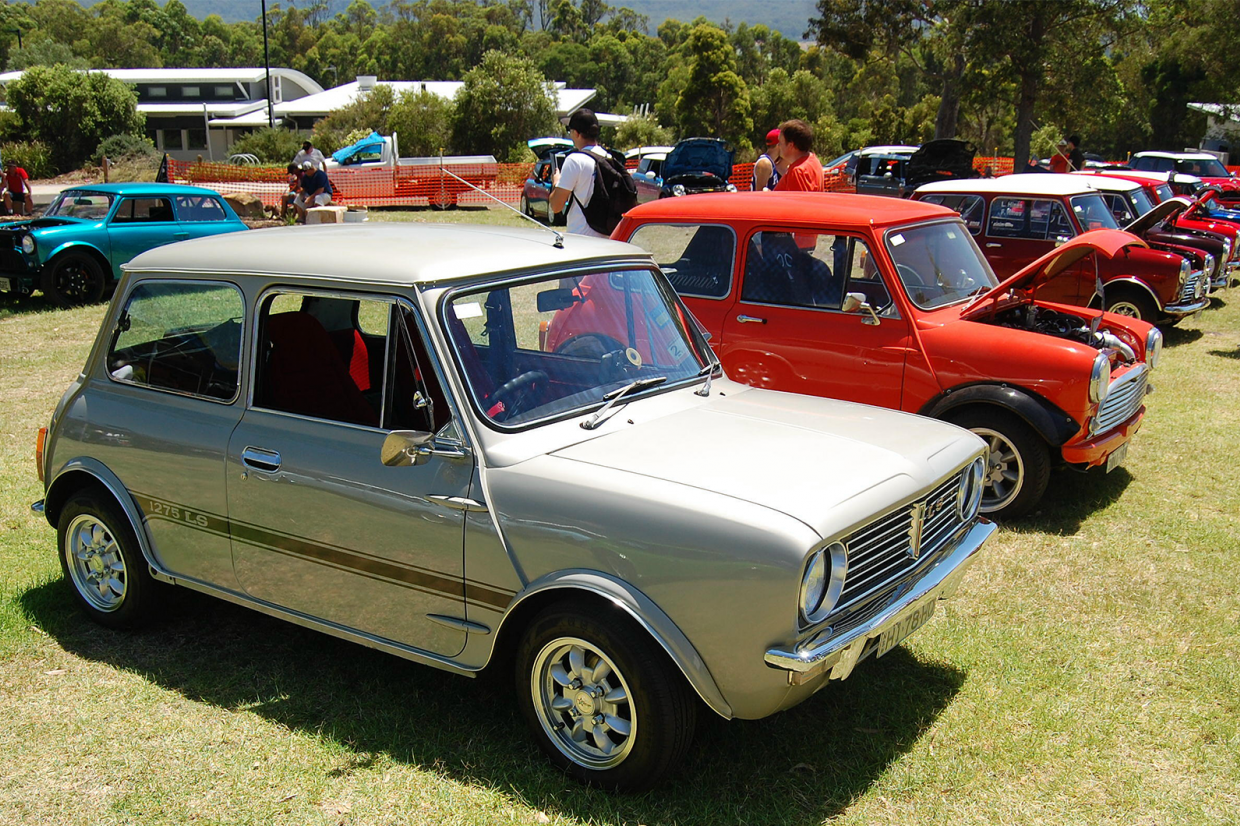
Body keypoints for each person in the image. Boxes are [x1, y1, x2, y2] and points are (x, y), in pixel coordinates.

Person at [548, 108, 612, 238]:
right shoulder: (609, 159)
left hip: (581, 239)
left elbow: (556, 206)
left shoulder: (575, 160)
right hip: (607, 239)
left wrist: (556, 182)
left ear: (576, 133)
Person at [773, 119, 823, 192]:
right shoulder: (813, 160)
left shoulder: (797, 171)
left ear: (790, 145)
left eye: (780, 142)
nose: (778, 146)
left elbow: (797, 202)